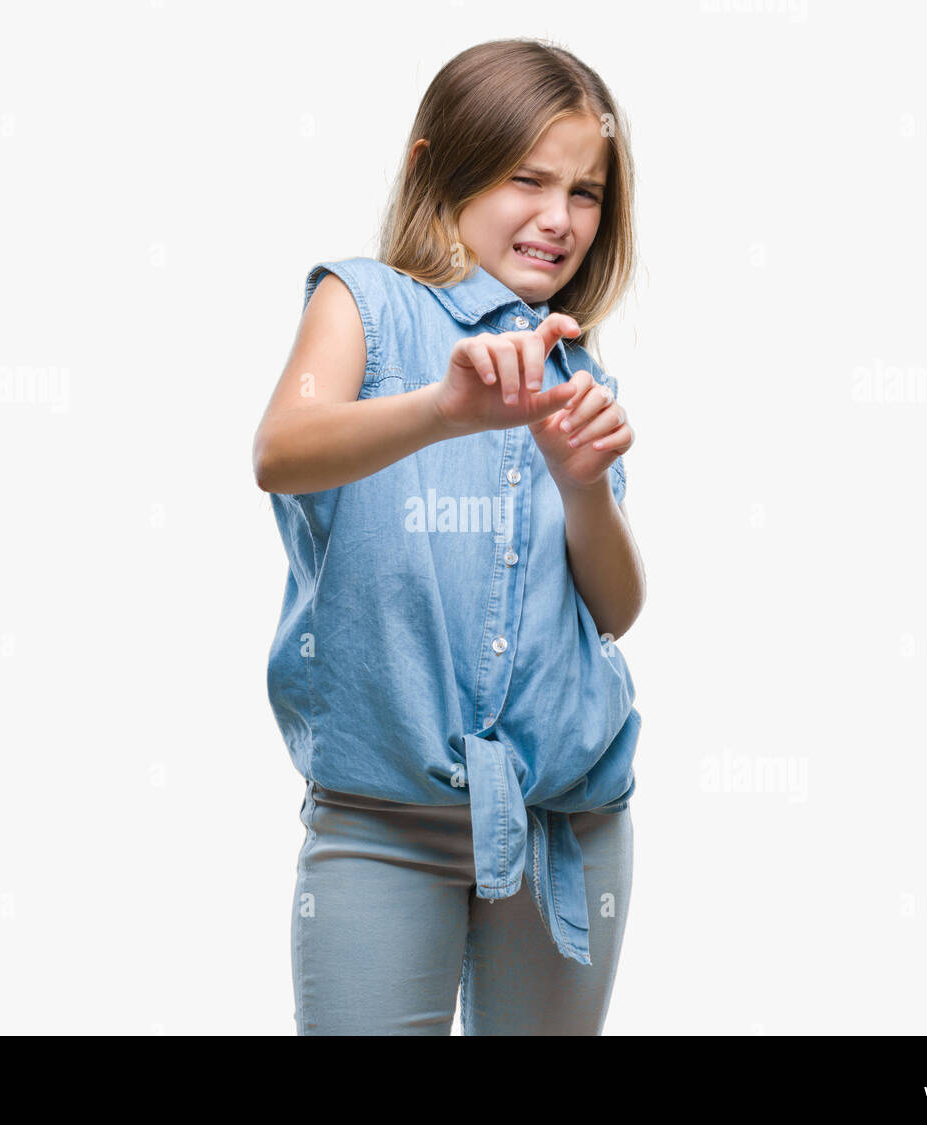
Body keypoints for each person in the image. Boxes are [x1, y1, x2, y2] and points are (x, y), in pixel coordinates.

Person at [254, 37, 645, 1035]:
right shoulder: (362, 302)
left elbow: (618, 608)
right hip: (383, 827)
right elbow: (283, 448)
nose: (560, 219)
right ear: (439, 166)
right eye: (527, 179)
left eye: (587, 192)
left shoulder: (576, 372)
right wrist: (442, 411)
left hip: (569, 822)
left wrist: (585, 488)